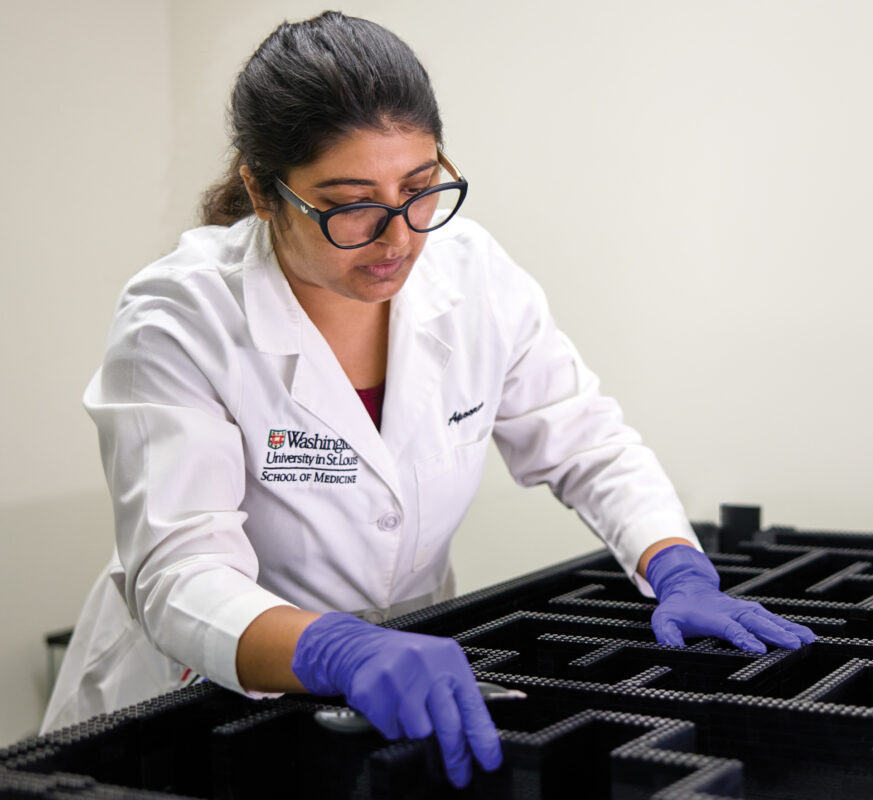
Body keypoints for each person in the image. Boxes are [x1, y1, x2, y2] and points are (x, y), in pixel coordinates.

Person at [43, 11, 815, 788]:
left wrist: (674, 562)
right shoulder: (182, 316)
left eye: (418, 189)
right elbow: (179, 575)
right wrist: (335, 649)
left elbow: (585, 439)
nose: (399, 238)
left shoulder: (471, 274)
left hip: (400, 684)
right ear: (261, 188)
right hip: (198, 701)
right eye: (351, 204)